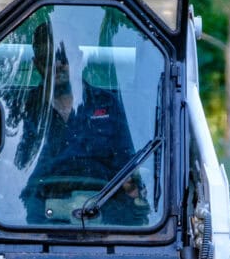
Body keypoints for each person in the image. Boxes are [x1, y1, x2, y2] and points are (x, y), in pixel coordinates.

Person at [15, 20, 148, 225]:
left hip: (106, 209)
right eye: (48, 58)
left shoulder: (108, 104)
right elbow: (13, 171)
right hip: (41, 217)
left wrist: (133, 189)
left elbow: (127, 166)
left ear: (77, 58)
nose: (58, 64)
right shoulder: (22, 109)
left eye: (63, 56)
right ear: (37, 64)